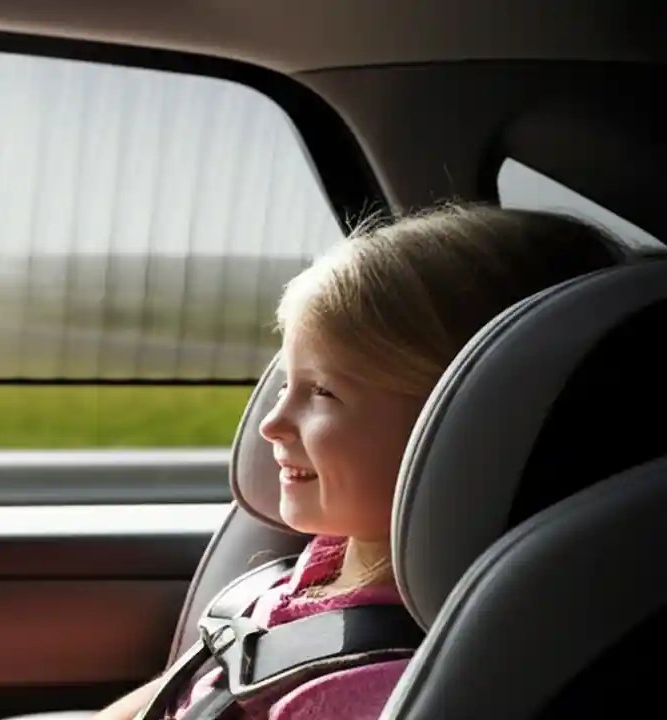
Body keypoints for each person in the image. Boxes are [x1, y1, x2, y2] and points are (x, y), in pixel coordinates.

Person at [94, 202, 627, 720]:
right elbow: (184, 686)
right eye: (285, 384)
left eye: (322, 392)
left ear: (465, 427)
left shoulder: (364, 692)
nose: (270, 424)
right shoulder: (328, 560)